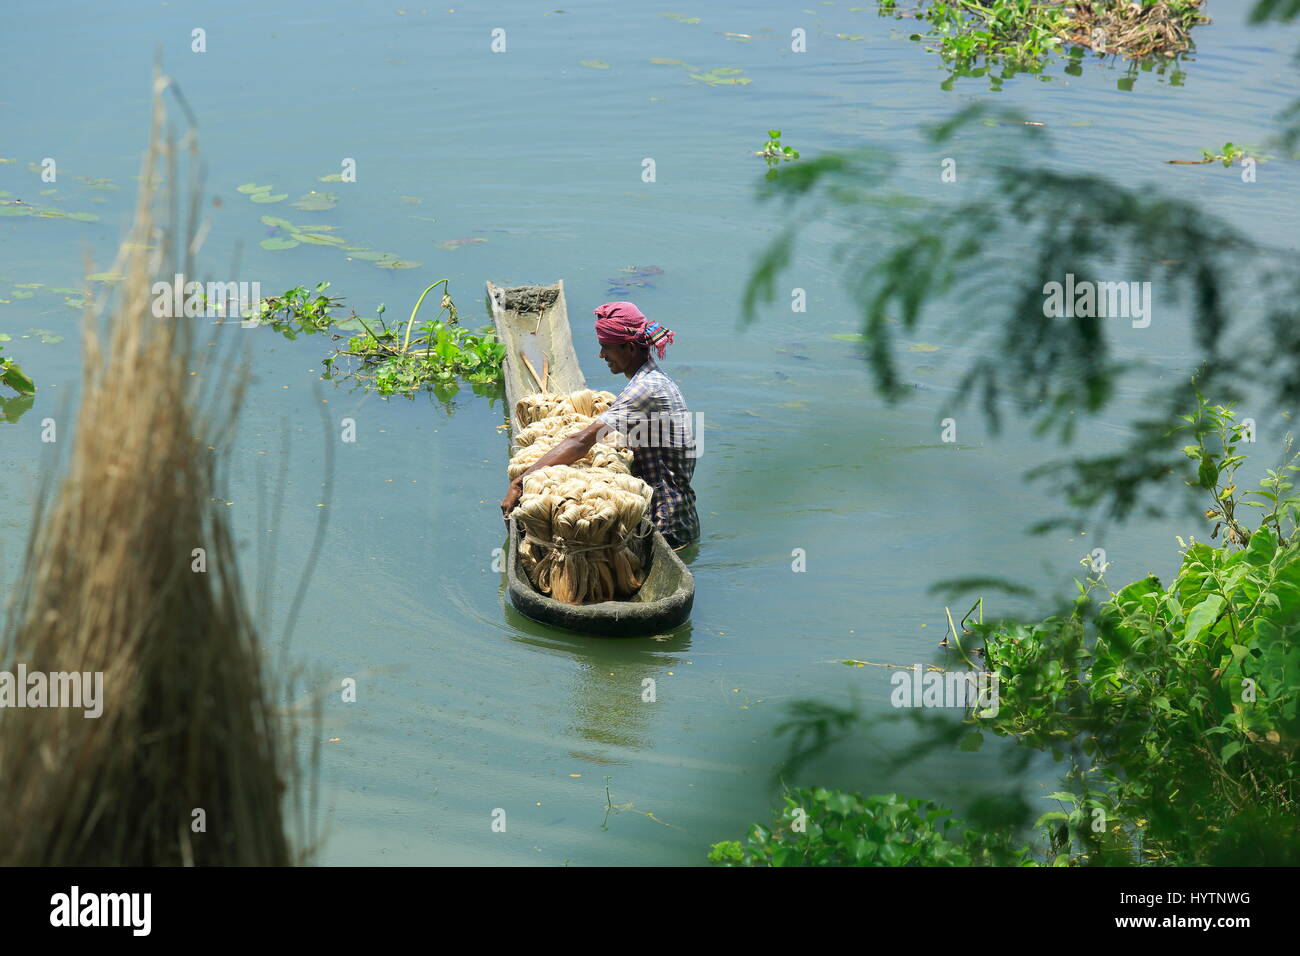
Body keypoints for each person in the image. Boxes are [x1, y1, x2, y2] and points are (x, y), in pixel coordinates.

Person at [500, 301, 700, 549]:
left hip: (667, 523)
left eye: (606, 347)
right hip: (675, 514)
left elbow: (582, 441)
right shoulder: (652, 379)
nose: (601, 355)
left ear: (628, 347)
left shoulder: (645, 389)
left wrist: (520, 482)